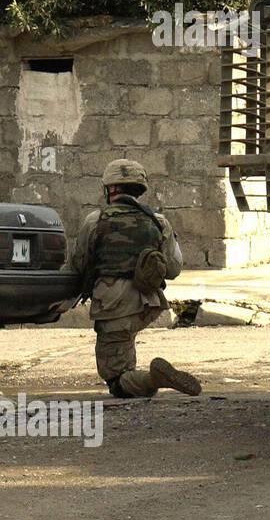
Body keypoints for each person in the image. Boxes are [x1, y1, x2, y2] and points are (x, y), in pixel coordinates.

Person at [67, 159, 202, 398]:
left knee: (116, 379)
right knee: (124, 345)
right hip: (149, 303)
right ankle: (143, 375)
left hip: (112, 305)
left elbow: (78, 265)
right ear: (140, 189)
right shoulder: (158, 221)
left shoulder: (95, 221)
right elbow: (173, 269)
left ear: (109, 189)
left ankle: (153, 378)